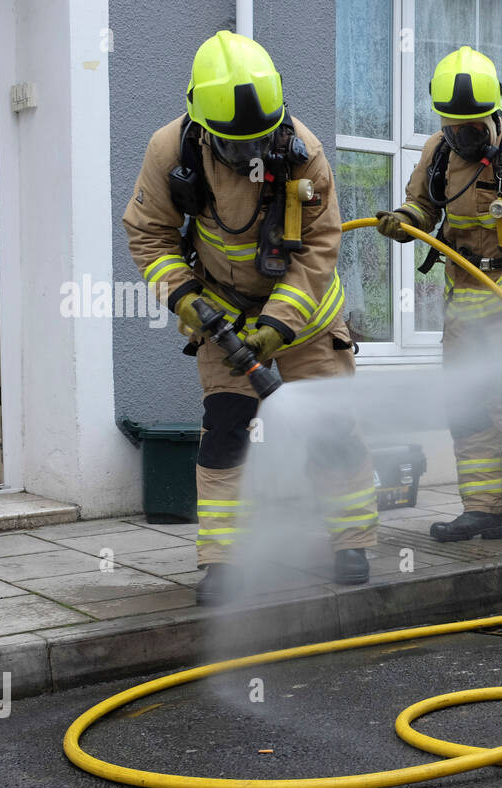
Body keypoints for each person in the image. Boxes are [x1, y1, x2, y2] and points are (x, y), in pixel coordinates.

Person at [123, 30, 376, 602]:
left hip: (306, 322)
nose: (249, 156)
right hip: (222, 317)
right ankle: (221, 562)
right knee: (225, 435)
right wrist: (185, 297)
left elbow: (318, 249)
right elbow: (149, 233)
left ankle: (351, 541)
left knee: (334, 431)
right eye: (234, 146)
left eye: (258, 141)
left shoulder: (305, 153)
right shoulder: (172, 151)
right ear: (203, 125)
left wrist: (277, 327)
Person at [374, 46, 502, 545]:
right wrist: (404, 223)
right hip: (463, 306)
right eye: (452, 128)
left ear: (492, 116)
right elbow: (422, 206)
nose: (460, 138)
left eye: (470, 129)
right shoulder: (436, 152)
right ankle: (484, 511)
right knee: (467, 412)